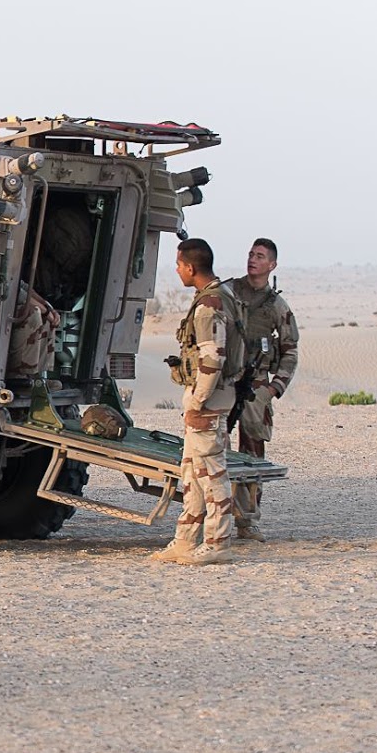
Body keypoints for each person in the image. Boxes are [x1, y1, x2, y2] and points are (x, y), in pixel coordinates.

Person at [152, 237, 238, 565]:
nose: (176, 271)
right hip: (210, 397)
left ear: (190, 267)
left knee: (212, 474)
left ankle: (217, 543)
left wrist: (198, 400)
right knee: (192, 472)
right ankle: (185, 541)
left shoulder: (208, 306)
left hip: (209, 401)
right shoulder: (221, 296)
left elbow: (212, 358)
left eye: (178, 265)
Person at [223, 238, 299, 541]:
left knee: (252, 455)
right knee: (214, 450)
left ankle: (247, 520)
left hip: (256, 387)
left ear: (272, 265)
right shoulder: (228, 292)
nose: (252, 260)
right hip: (224, 382)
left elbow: (290, 350)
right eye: (251, 254)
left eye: (260, 256)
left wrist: (274, 388)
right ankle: (211, 517)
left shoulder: (277, 306)